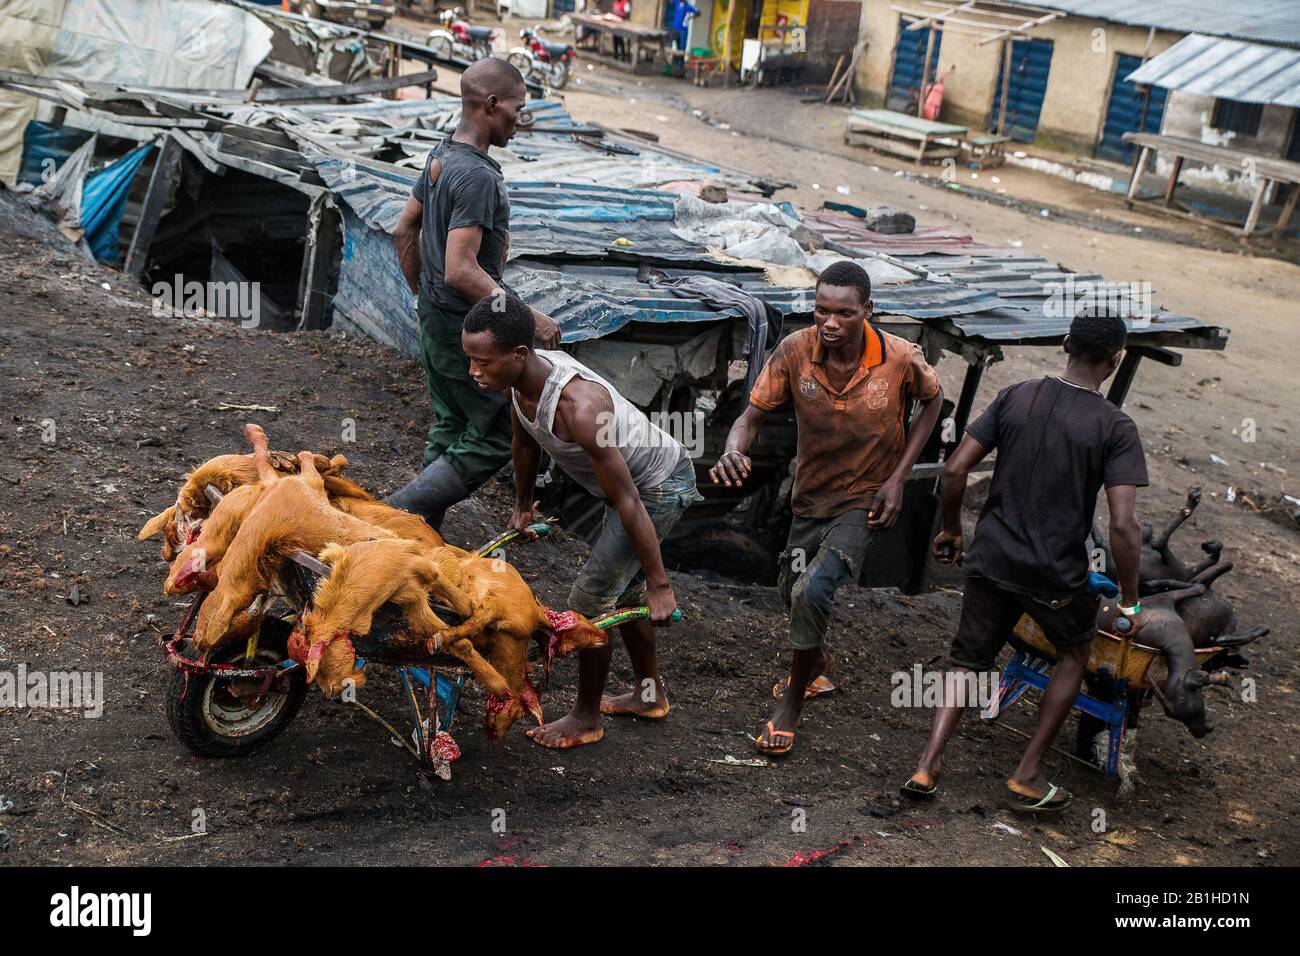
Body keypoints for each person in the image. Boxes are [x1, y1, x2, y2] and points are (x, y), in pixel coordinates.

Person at [903, 311, 1149, 813]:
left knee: (967, 660)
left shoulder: (1017, 395)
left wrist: (952, 528)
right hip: (1053, 573)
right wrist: (1130, 597)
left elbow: (953, 470)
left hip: (992, 558)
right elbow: (1123, 526)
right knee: (1074, 654)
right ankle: (1027, 775)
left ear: (1065, 344)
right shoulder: (1115, 427)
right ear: (1116, 359)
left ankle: (927, 765)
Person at [709, 260, 944, 756]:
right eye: (821, 311)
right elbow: (750, 416)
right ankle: (814, 663)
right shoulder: (796, 350)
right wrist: (734, 450)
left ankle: (792, 701)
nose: (830, 323)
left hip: (867, 497)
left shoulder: (901, 358)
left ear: (868, 311)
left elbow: (933, 401)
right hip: (810, 496)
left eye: (844, 313)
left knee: (814, 588)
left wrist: (899, 478)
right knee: (789, 588)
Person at [461, 292, 703, 749]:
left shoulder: (581, 407)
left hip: (658, 487)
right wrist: (522, 505)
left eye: (483, 362)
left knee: (589, 602)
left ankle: (586, 717)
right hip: (630, 489)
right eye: (470, 359)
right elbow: (526, 443)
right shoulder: (516, 381)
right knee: (620, 591)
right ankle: (649, 697)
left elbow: (629, 499)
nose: (474, 371)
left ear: (518, 355)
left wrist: (660, 583)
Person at [388, 58, 560, 530]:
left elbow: (405, 228)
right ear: (491, 105)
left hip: (439, 320)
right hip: (469, 327)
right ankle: (394, 513)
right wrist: (528, 317)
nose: (519, 122)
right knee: (493, 433)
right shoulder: (479, 177)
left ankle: (416, 535)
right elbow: (462, 270)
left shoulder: (441, 157)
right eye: (517, 110)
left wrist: (424, 297)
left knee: (450, 423)